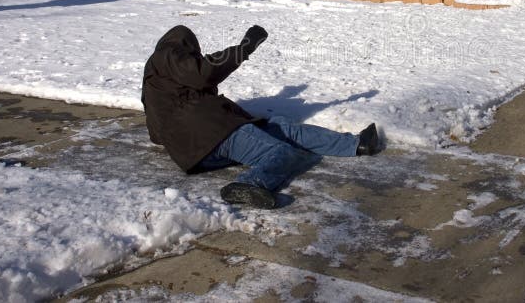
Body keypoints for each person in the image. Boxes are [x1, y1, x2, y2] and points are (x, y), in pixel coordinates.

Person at [141, 24, 379, 209]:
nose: (195, 56)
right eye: (194, 52)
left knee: (284, 128)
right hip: (213, 134)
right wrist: (244, 47)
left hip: (204, 149)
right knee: (283, 152)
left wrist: (182, 145)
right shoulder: (167, 54)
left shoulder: (160, 82)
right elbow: (204, 71)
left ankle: (356, 144)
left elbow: (156, 134)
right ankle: (249, 184)